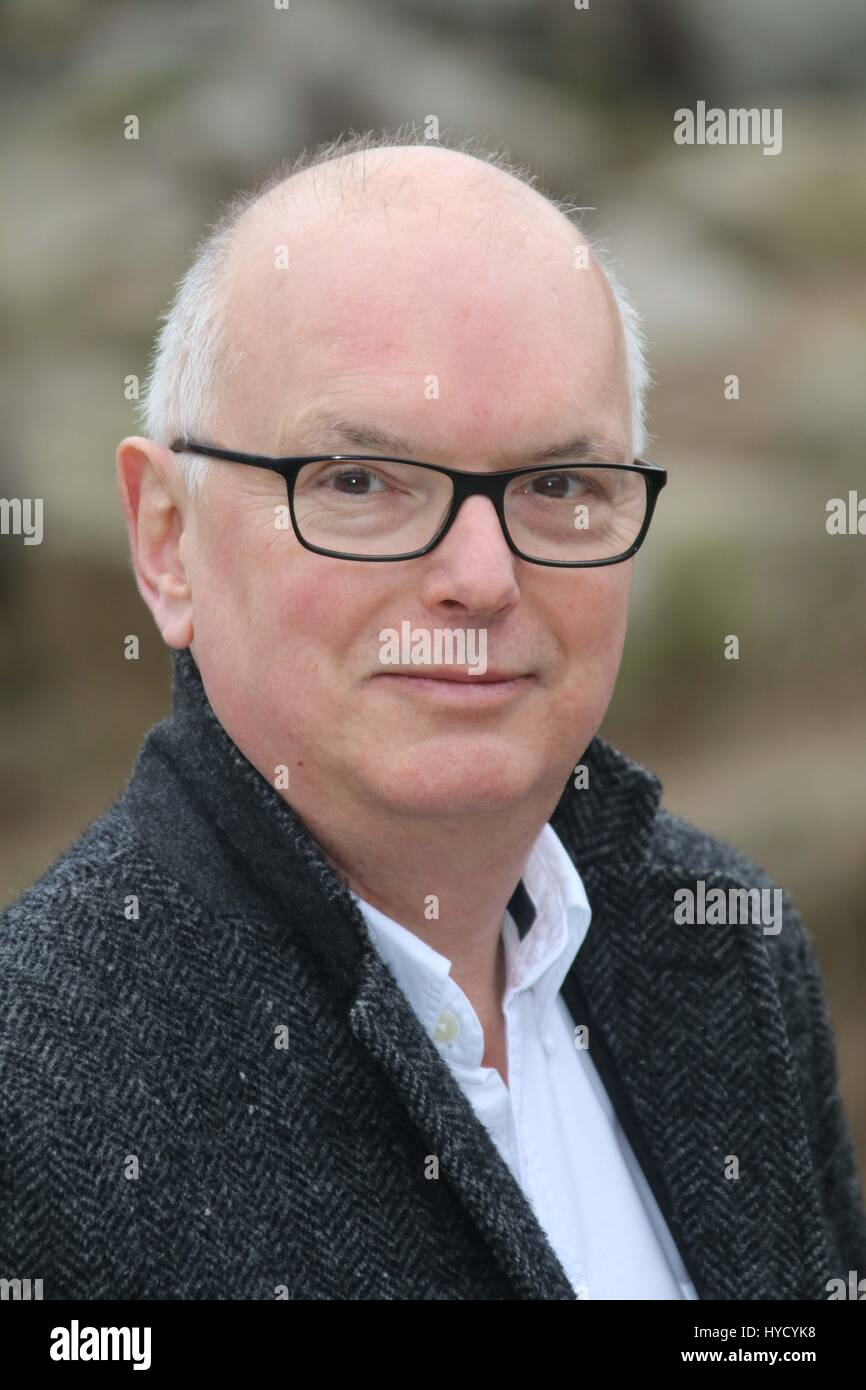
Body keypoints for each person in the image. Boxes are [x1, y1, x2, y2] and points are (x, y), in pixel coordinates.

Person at [1, 129, 864, 1301]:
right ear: (166, 539)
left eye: (558, 486)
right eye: (359, 482)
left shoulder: (729, 951)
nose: (482, 574)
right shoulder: (32, 1096)